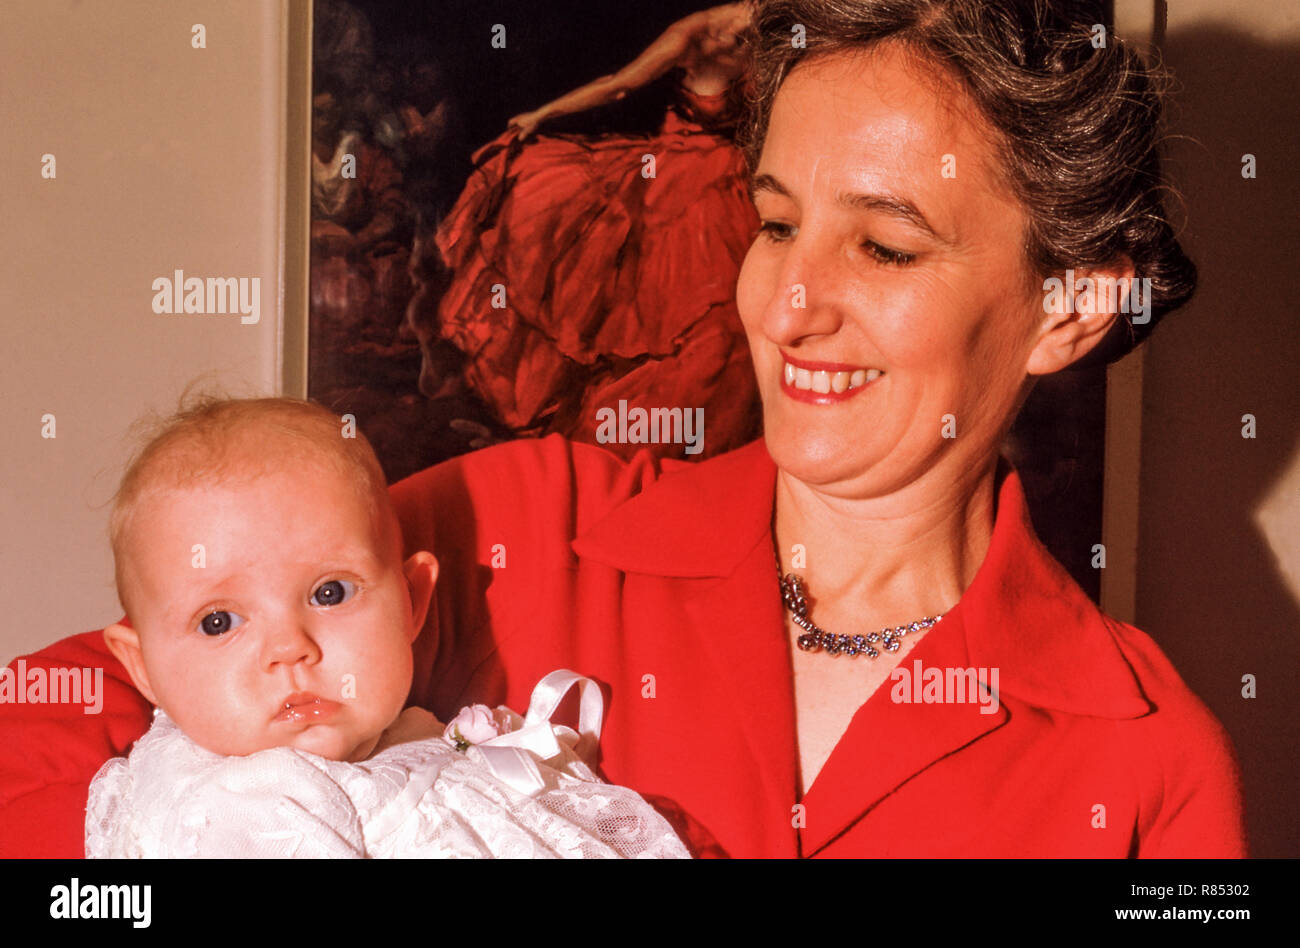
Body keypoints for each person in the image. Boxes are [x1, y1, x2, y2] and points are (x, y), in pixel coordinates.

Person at [0, 0, 1245, 858]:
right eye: (773, 223)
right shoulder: (527, 525)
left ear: (1071, 307)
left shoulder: (1146, 763)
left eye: (882, 245)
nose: (786, 304)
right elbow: (64, 718)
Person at [81, 397, 687, 858]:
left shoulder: (402, 738)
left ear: (412, 602)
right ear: (144, 669)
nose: (290, 647)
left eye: (329, 592)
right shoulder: (234, 804)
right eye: (219, 621)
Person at [422, 2, 761, 458]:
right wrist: (543, 114)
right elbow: (617, 86)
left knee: (725, 319)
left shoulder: (776, 33)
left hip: (731, 181)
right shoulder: (691, 35)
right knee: (646, 306)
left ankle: (713, 437)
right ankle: (628, 433)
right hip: (676, 178)